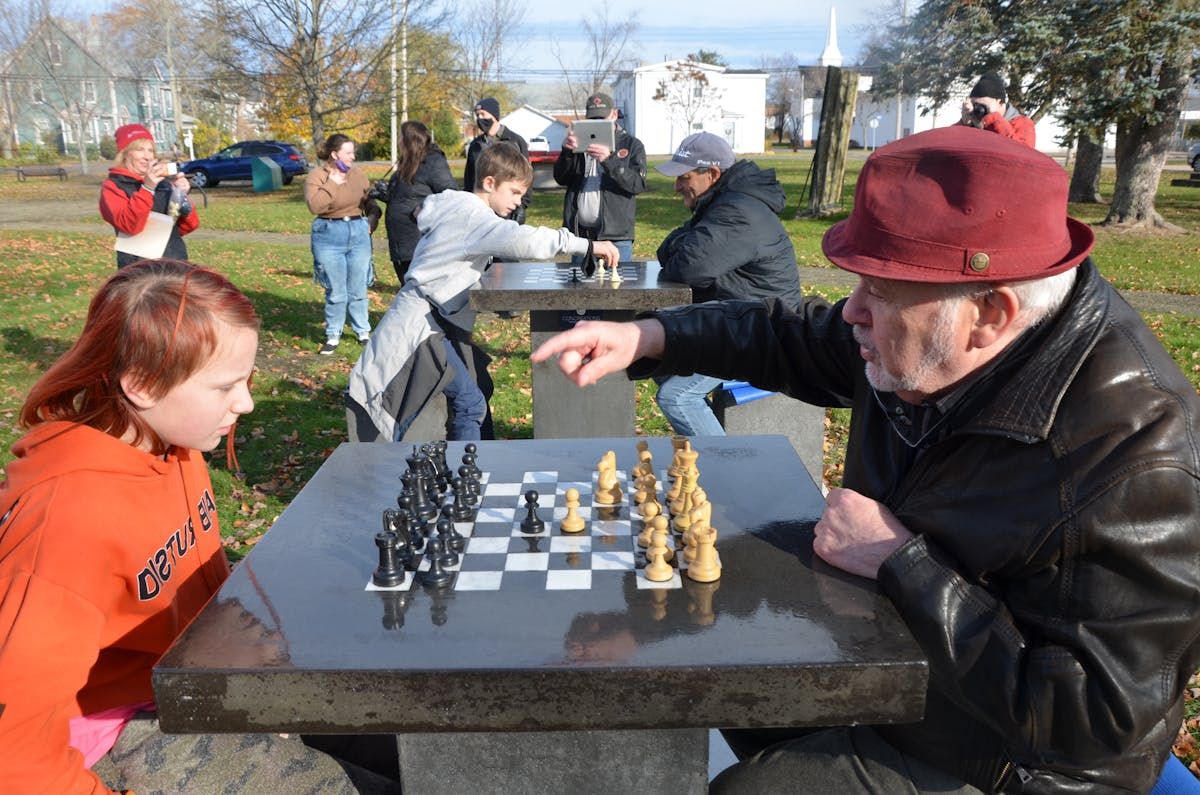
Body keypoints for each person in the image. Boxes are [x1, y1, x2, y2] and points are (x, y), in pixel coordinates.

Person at [532, 126, 1200, 793]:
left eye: (878, 293)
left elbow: (1095, 721)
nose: (851, 310)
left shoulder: (1141, 459)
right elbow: (790, 335)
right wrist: (651, 335)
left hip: (1010, 759)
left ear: (990, 314)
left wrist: (901, 562)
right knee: (713, 659)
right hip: (890, 654)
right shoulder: (934, 335)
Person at [0, 260, 399, 793]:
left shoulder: (176, 447)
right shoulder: (64, 523)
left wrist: (252, 684)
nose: (247, 403)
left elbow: (205, 595)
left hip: (193, 688)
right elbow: (15, 751)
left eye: (247, 379)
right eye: (225, 386)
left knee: (415, 741)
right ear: (142, 384)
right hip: (113, 736)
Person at [347, 143, 618, 443]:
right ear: (490, 183)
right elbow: (526, 241)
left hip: (433, 319)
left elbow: (423, 209)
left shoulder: (456, 204)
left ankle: (481, 462)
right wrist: (589, 245)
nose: (518, 201)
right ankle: (471, 479)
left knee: (480, 384)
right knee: (471, 403)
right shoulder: (475, 218)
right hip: (421, 328)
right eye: (514, 192)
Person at [651, 131, 802, 437]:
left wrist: (682, 245)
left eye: (684, 176)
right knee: (661, 362)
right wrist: (683, 244)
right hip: (739, 320)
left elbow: (686, 268)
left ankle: (725, 465)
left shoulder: (736, 210)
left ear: (713, 174)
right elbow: (668, 249)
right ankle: (702, 452)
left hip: (765, 331)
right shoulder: (721, 203)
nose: (677, 185)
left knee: (676, 396)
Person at [553, 92, 647, 264]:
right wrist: (567, 152)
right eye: (593, 119)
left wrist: (609, 160)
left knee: (616, 288)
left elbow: (637, 184)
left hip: (616, 236)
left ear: (614, 115)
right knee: (581, 288)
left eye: (603, 119)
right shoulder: (579, 142)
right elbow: (561, 178)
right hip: (582, 236)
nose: (598, 124)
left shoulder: (631, 145)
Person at [305, 132, 375, 356]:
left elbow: (370, 202)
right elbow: (315, 207)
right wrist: (332, 184)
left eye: (353, 152)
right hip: (328, 235)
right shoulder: (317, 176)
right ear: (334, 154)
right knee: (336, 291)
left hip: (358, 232)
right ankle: (333, 335)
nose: (353, 157)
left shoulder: (358, 175)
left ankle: (363, 332)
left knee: (358, 287)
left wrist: (372, 219)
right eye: (348, 152)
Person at [100, 123, 198, 269]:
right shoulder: (113, 186)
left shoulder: (163, 183)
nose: (147, 156)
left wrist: (181, 195)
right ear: (125, 154)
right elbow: (129, 226)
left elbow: (186, 226)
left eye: (151, 150)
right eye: (140, 150)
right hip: (138, 271)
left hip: (175, 265)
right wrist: (147, 188)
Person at [381, 120, 458, 284]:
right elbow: (406, 195)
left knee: (420, 293)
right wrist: (385, 193)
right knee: (407, 289)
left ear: (410, 140)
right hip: (400, 244)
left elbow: (451, 195)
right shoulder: (407, 163)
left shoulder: (432, 162)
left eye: (401, 137)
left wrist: (424, 208)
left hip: (419, 243)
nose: (399, 141)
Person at [463, 97, 531, 224]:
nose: (479, 119)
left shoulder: (515, 141)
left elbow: (526, 176)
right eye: (477, 115)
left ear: (494, 115)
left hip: (507, 210)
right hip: (481, 210)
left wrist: (521, 206)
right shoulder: (475, 145)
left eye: (483, 114)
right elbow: (469, 177)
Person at [959, 72, 1035, 147]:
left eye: (983, 105)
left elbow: (1023, 152)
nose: (978, 109)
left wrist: (993, 119)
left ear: (1000, 103)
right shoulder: (972, 120)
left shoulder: (1024, 123)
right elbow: (950, 146)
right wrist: (963, 124)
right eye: (975, 105)